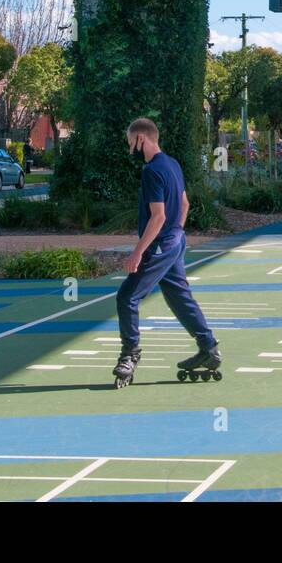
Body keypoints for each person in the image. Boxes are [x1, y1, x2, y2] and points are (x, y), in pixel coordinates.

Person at [114, 118, 220, 388]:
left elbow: (157, 217)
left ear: (141, 139)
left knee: (127, 296)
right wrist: (177, 234)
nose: (130, 150)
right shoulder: (172, 164)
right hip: (175, 241)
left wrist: (138, 253)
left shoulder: (151, 171)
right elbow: (184, 204)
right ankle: (208, 348)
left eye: (131, 144)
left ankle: (130, 354)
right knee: (179, 297)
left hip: (161, 244)